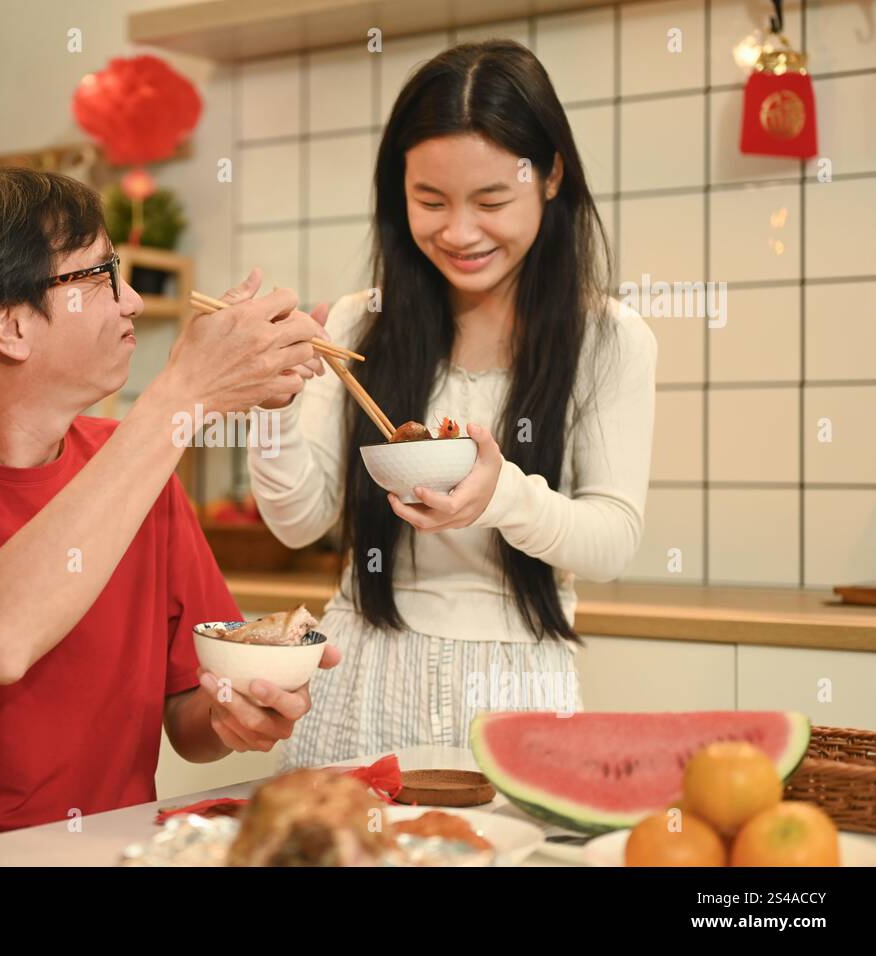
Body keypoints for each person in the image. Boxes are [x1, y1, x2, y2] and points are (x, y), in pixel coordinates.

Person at [0, 168, 339, 862]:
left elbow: (190, 722)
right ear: (10, 324)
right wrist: (181, 398)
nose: (133, 302)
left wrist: (242, 707)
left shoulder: (133, 466)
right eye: (103, 276)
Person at [245, 40, 658, 770]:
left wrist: (499, 496)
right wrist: (271, 400)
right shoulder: (356, 323)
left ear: (552, 174)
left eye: (492, 200)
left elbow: (612, 538)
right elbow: (299, 520)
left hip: (516, 686)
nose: (459, 233)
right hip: (357, 672)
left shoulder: (609, 339)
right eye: (429, 201)